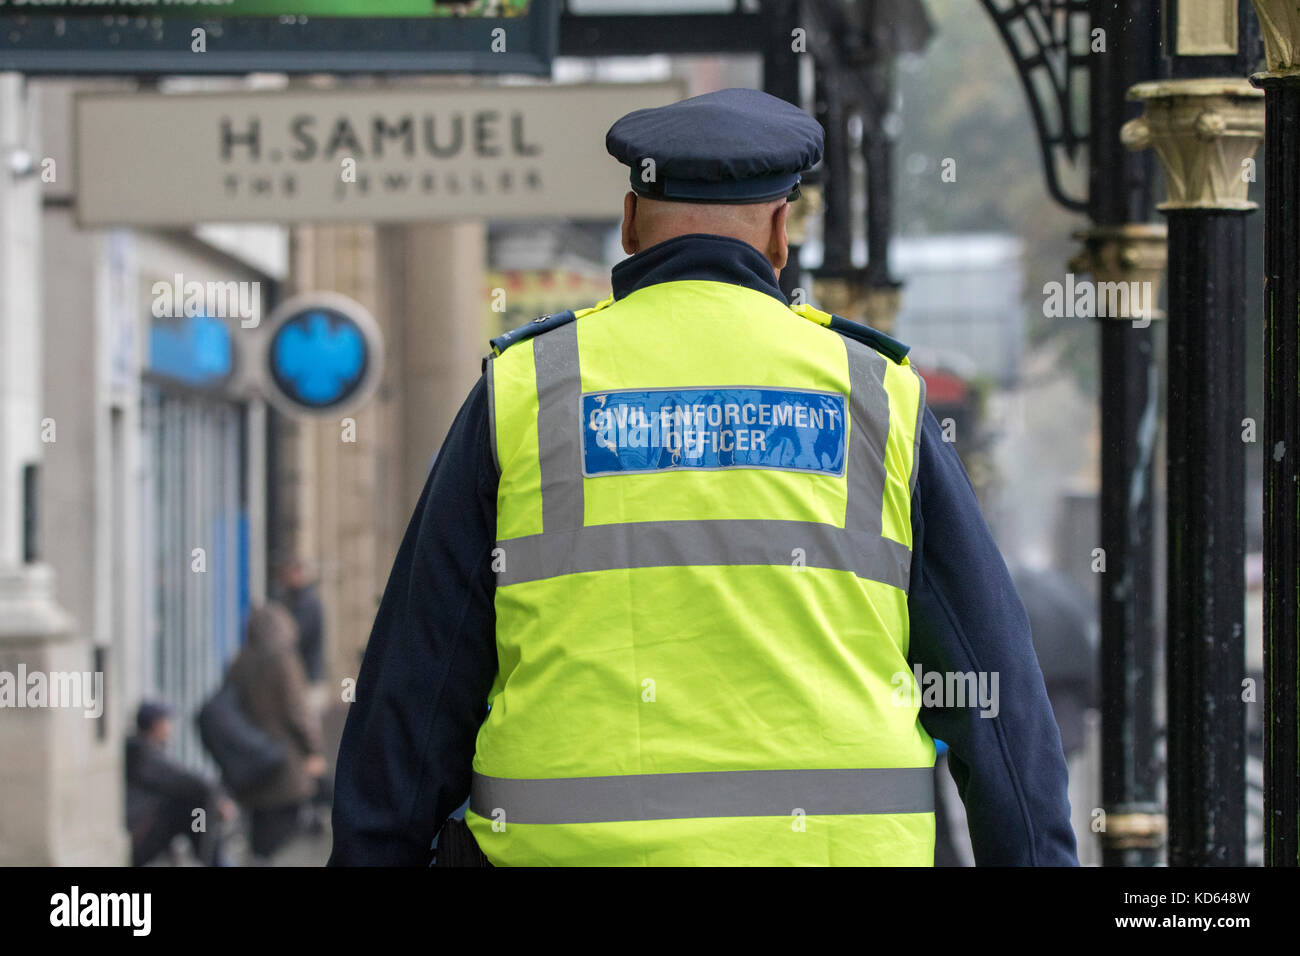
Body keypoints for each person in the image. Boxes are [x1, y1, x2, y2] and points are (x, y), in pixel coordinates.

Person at [330, 87, 1077, 867]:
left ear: (629, 224)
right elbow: (993, 695)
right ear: (782, 233)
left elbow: (416, 693)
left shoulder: (528, 388)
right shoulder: (874, 395)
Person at [227, 603, 328, 861]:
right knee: (285, 834)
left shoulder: (240, 662)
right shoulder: (284, 659)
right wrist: (312, 750)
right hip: (285, 762)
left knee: (260, 836)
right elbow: (298, 713)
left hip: (251, 761)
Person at [125, 700, 235, 866]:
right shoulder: (140, 754)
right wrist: (216, 799)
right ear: (156, 724)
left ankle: (214, 858)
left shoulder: (146, 750)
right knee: (196, 806)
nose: (170, 728)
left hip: (146, 827)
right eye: (166, 722)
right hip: (138, 833)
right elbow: (187, 782)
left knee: (197, 807)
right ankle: (214, 861)